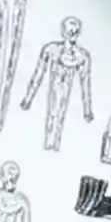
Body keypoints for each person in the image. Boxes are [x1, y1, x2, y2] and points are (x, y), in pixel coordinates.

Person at [21, 16, 94, 151]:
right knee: (52, 114)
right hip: (55, 84)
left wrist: (87, 111)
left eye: (75, 31)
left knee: (59, 115)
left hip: (66, 86)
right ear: (63, 32)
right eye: (69, 31)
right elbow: (38, 75)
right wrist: (28, 99)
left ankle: (54, 144)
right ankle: (49, 143)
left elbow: (85, 85)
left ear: (79, 33)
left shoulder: (82, 56)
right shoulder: (51, 49)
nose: (72, 34)